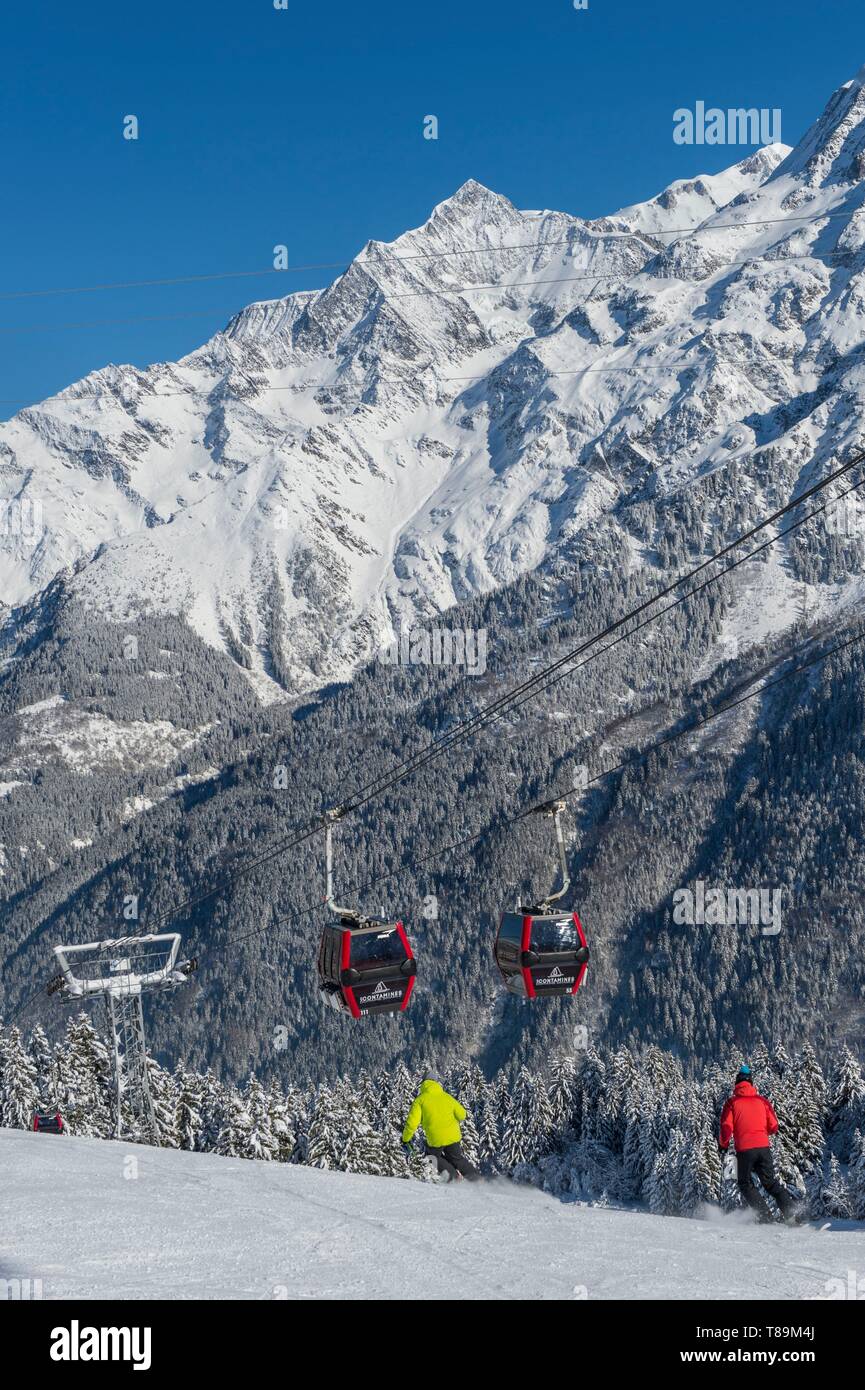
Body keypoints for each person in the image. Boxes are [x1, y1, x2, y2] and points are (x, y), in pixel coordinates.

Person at [719, 1064, 796, 1223]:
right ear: (751, 1083)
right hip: (763, 1148)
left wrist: (723, 1145)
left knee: (745, 1183)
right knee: (770, 1182)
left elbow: (726, 1127)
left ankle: (765, 1218)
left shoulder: (732, 1103)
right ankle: (791, 1215)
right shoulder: (763, 1101)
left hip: (745, 1150)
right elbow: (774, 1126)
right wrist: (760, 1132)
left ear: (737, 1083)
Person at [402, 1073, 481, 1181]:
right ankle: (477, 1179)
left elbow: (411, 1124)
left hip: (435, 1139)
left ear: (423, 1083)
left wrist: (405, 1139)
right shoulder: (447, 1097)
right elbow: (462, 1114)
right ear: (436, 1083)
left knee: (433, 1157)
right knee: (457, 1159)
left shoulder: (420, 1100)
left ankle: (454, 1178)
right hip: (453, 1136)